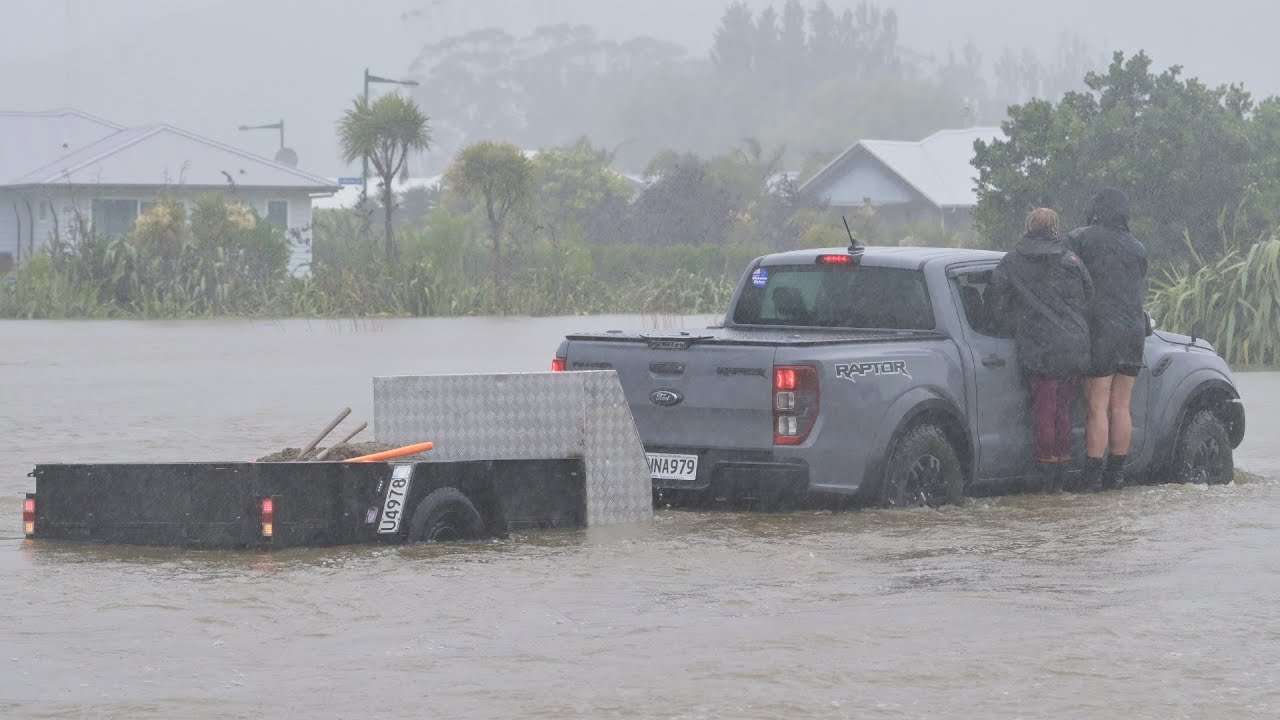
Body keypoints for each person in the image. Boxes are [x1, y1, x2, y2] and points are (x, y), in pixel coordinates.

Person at [989, 207, 1093, 492]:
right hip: (1072, 345)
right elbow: (1088, 295)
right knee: (1062, 409)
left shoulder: (1012, 260)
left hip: (1038, 346)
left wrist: (1014, 323)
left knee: (1044, 410)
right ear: (1055, 228)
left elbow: (996, 300)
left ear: (1028, 226)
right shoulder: (1071, 259)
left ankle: (1047, 475)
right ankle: (1061, 471)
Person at [1066, 188, 1149, 492]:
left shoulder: (1082, 238)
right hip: (1134, 329)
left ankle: (1091, 478)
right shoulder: (1137, 247)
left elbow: (1069, 274)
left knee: (1097, 406)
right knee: (1121, 406)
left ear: (1095, 209)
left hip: (1101, 328)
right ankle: (1116, 476)